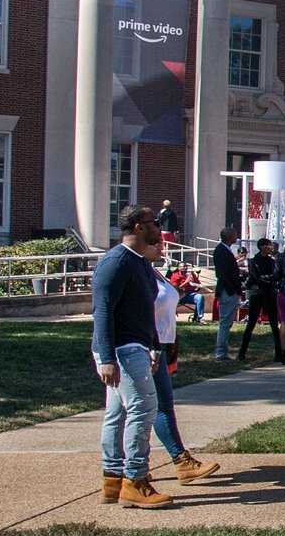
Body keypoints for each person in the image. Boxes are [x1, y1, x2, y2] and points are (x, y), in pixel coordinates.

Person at [93, 205, 174, 509]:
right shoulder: (115, 262)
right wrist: (106, 357)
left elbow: (146, 311)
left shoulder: (140, 263)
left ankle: (113, 479)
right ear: (140, 227)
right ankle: (135, 481)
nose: (160, 227)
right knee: (143, 409)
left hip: (138, 347)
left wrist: (154, 345)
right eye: (155, 223)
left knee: (118, 413)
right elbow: (102, 312)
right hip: (121, 350)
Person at [147, 257, 220, 486]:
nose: (161, 244)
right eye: (155, 238)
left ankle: (130, 468)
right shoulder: (135, 270)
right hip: (147, 346)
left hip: (161, 344)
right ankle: (177, 461)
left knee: (154, 407)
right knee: (155, 407)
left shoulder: (153, 271)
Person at [238, 238, 283, 361]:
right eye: (268, 245)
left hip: (270, 294)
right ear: (262, 247)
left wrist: (266, 279)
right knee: (251, 323)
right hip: (257, 294)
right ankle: (242, 352)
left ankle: (278, 353)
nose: (271, 248)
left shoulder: (272, 262)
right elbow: (255, 277)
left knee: (274, 324)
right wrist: (267, 280)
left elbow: (276, 276)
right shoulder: (253, 261)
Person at [210, 226, 242, 360]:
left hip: (229, 290)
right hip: (227, 291)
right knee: (225, 322)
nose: (236, 236)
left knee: (227, 322)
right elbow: (223, 274)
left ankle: (223, 351)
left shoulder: (225, 250)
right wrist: (232, 288)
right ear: (229, 236)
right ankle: (221, 353)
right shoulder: (221, 251)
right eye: (234, 234)